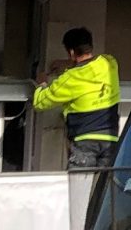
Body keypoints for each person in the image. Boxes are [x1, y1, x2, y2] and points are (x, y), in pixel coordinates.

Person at [34, 27, 121, 170]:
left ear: (72, 52)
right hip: (111, 139)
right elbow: (91, 63)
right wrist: (67, 63)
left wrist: (42, 83)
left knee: (80, 188)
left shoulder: (70, 78)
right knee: (103, 189)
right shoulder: (109, 63)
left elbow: (40, 102)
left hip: (84, 142)